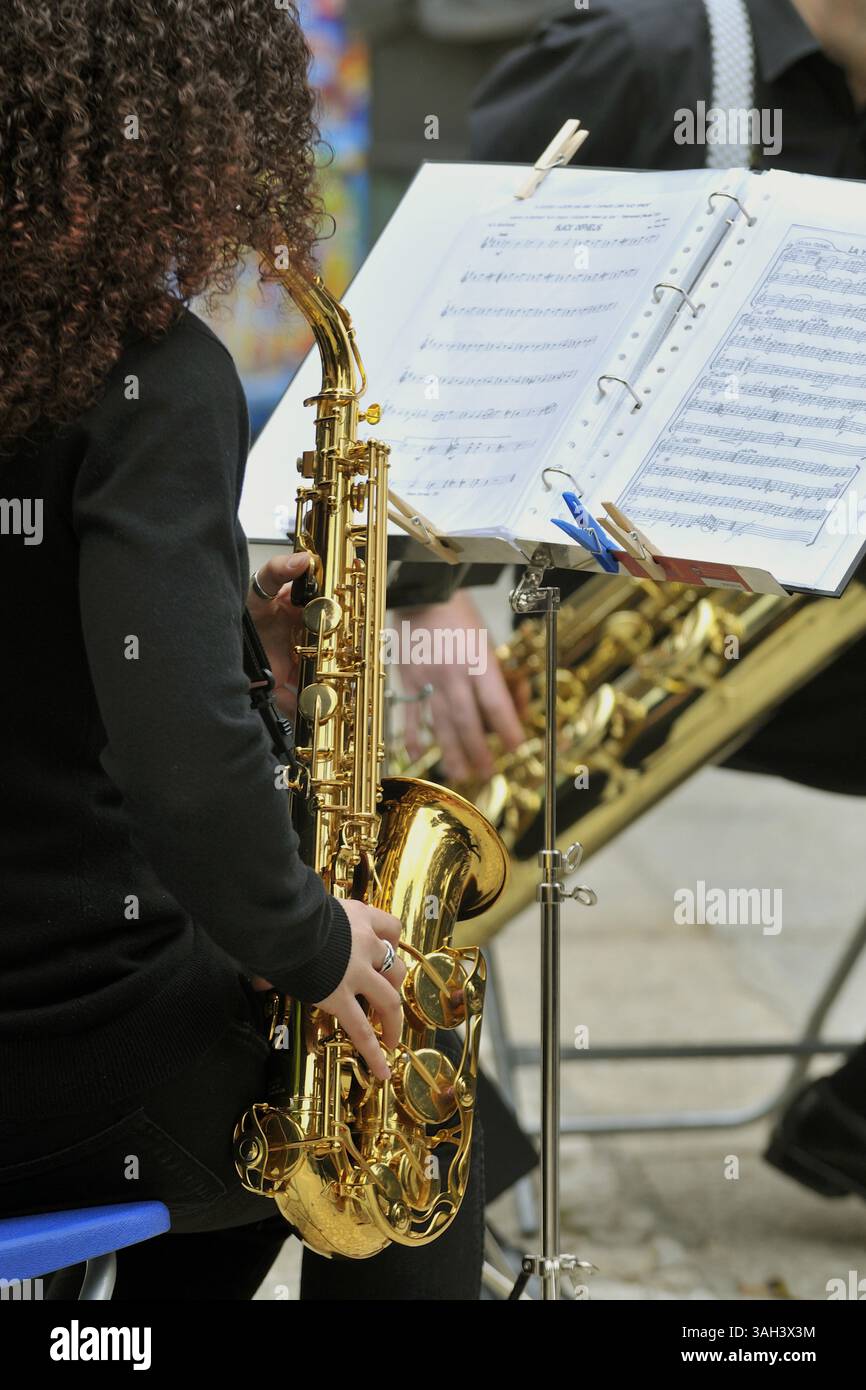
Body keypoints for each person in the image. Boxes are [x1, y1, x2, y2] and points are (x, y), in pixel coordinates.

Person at [0, 0, 533, 1302]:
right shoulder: (138, 369)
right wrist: (304, 936)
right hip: (54, 1036)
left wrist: (250, 663)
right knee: (399, 1090)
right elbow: (176, 762)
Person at [390, 0, 866, 1201]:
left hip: (821, 621)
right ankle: (430, 1170)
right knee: (392, 881)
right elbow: (434, 298)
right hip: (612, 619)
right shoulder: (643, 58)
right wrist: (421, 591)